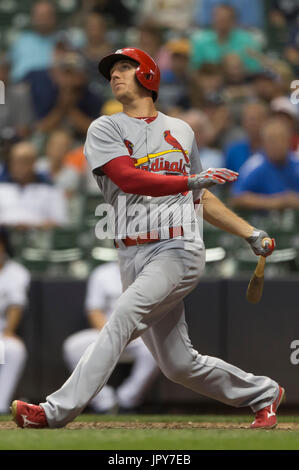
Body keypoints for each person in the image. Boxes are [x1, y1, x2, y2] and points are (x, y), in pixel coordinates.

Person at [11, 47, 284, 430]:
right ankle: (263, 393)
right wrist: (189, 180)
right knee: (178, 364)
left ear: (149, 75)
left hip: (178, 248)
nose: (115, 75)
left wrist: (250, 233)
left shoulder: (182, 130)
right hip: (133, 253)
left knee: (121, 318)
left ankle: (53, 412)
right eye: (112, 70)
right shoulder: (105, 128)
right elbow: (129, 178)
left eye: (125, 67)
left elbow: (199, 196)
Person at [63, 262, 158, 413]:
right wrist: (114, 334)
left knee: (156, 347)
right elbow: (94, 310)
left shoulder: (154, 272)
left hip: (140, 333)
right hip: (106, 330)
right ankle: (104, 402)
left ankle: (127, 400)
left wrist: (132, 333)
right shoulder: (102, 273)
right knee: (73, 346)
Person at [230, 118, 299, 211]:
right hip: (262, 221)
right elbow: (237, 197)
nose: (277, 144)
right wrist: (275, 202)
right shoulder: (255, 165)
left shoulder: (296, 162)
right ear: (263, 143)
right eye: (272, 140)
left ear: (289, 141)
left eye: (281, 139)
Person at [0, 141, 68, 229]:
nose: (19, 165)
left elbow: (61, 222)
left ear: (34, 162)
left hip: (39, 237)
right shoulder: (2, 187)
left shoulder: (51, 189)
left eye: (24, 160)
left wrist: (33, 226)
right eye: (15, 160)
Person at [0, 227, 30, 413]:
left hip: (1, 334)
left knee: (13, 348)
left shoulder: (16, 272)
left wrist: (9, 331)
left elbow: (16, 306)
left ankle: (1, 405)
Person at [190, 4, 262, 72]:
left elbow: (254, 67)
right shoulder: (201, 41)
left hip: (242, 81)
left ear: (234, 21)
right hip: (209, 80)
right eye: (217, 18)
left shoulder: (248, 41)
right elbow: (195, 68)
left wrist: (236, 66)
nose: (220, 21)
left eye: (224, 19)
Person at [9, 1, 58, 83]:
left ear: (54, 17)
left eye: (46, 15)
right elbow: (8, 63)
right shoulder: (22, 40)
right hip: (22, 88)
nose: (43, 19)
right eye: (39, 16)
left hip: (52, 88)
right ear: (33, 18)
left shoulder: (62, 41)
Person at [225, 102, 269, 172]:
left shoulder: (273, 151)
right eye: (248, 120)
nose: (252, 124)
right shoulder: (234, 151)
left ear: (266, 121)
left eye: (256, 119)